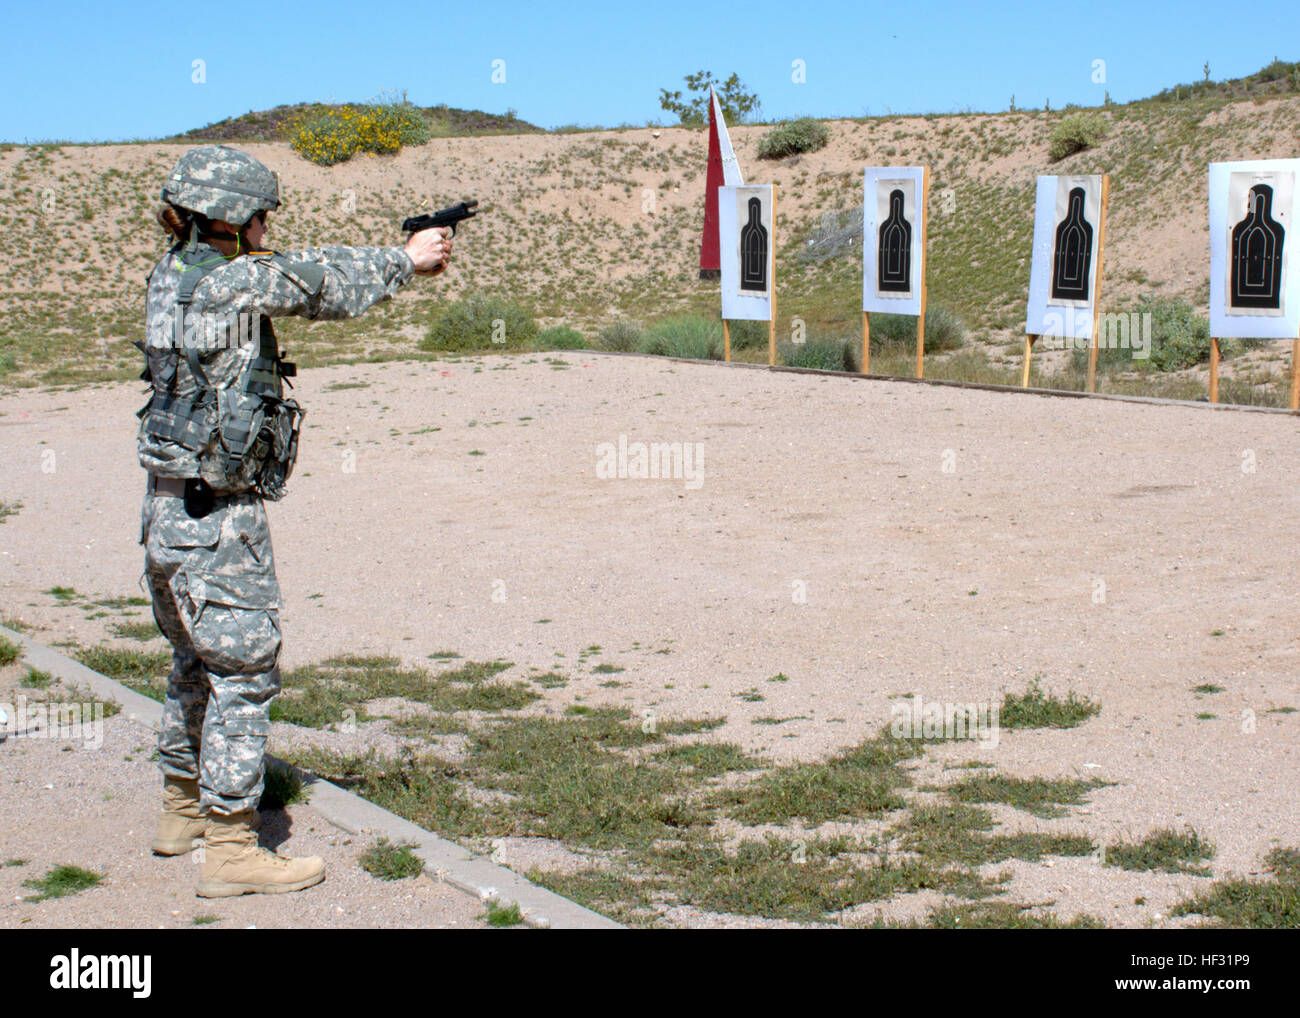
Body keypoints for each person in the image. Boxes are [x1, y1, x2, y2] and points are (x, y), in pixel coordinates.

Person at [138, 145, 449, 897]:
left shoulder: (169, 276)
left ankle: (182, 811)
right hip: (218, 517)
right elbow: (323, 283)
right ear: (235, 216)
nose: (267, 225)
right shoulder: (233, 280)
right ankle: (234, 849)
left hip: (164, 510)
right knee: (244, 675)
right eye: (260, 213)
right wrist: (409, 260)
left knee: (192, 664)